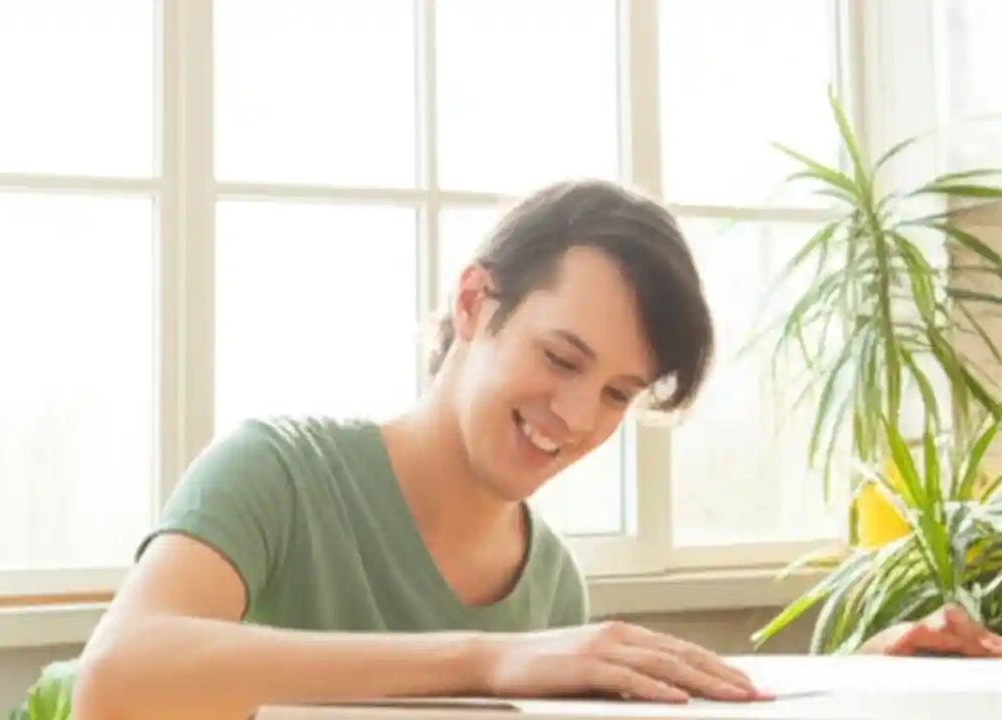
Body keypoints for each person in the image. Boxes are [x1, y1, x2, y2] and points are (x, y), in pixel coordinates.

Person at [70, 180, 1001, 720]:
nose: (576, 418)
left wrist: (861, 685)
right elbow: (115, 682)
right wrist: (488, 661)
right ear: (475, 303)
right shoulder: (277, 473)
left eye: (616, 396)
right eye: (561, 358)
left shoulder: (550, 584)